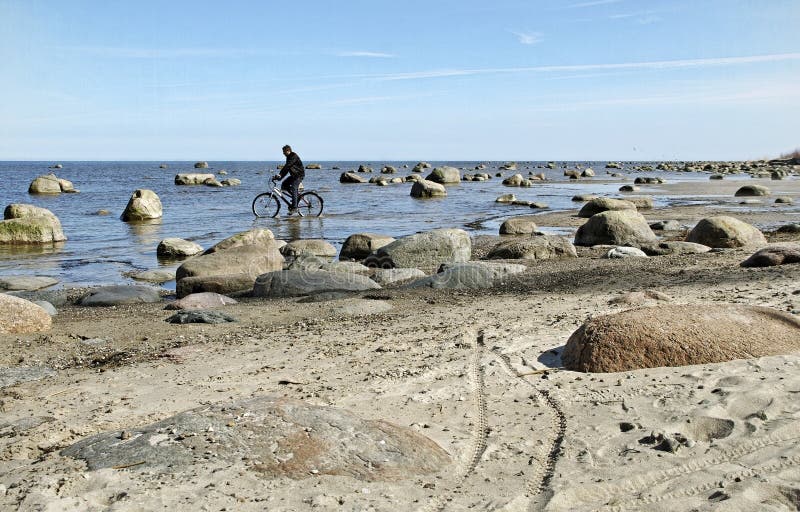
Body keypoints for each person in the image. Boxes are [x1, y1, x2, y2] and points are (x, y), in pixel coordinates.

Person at [277, 145, 305, 212]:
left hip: (299, 175)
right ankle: (296, 196)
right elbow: (286, 170)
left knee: (294, 187)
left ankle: (294, 207)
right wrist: (279, 177)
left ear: (288, 150)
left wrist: (280, 174)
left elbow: (287, 166)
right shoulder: (288, 157)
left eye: (284, 152)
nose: (283, 153)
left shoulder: (293, 156)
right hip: (294, 175)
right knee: (284, 185)